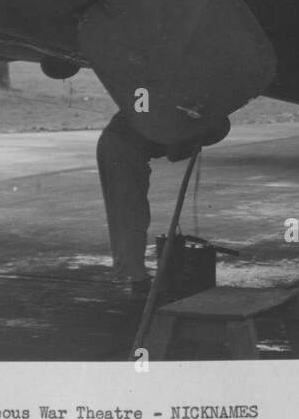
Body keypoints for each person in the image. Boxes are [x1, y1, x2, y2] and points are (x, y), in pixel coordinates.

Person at [96, 110, 230, 298]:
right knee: (131, 215)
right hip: (123, 148)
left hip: (117, 144)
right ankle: (136, 279)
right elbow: (173, 153)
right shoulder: (179, 115)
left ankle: (132, 272)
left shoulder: (180, 107)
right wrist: (194, 144)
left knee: (128, 213)